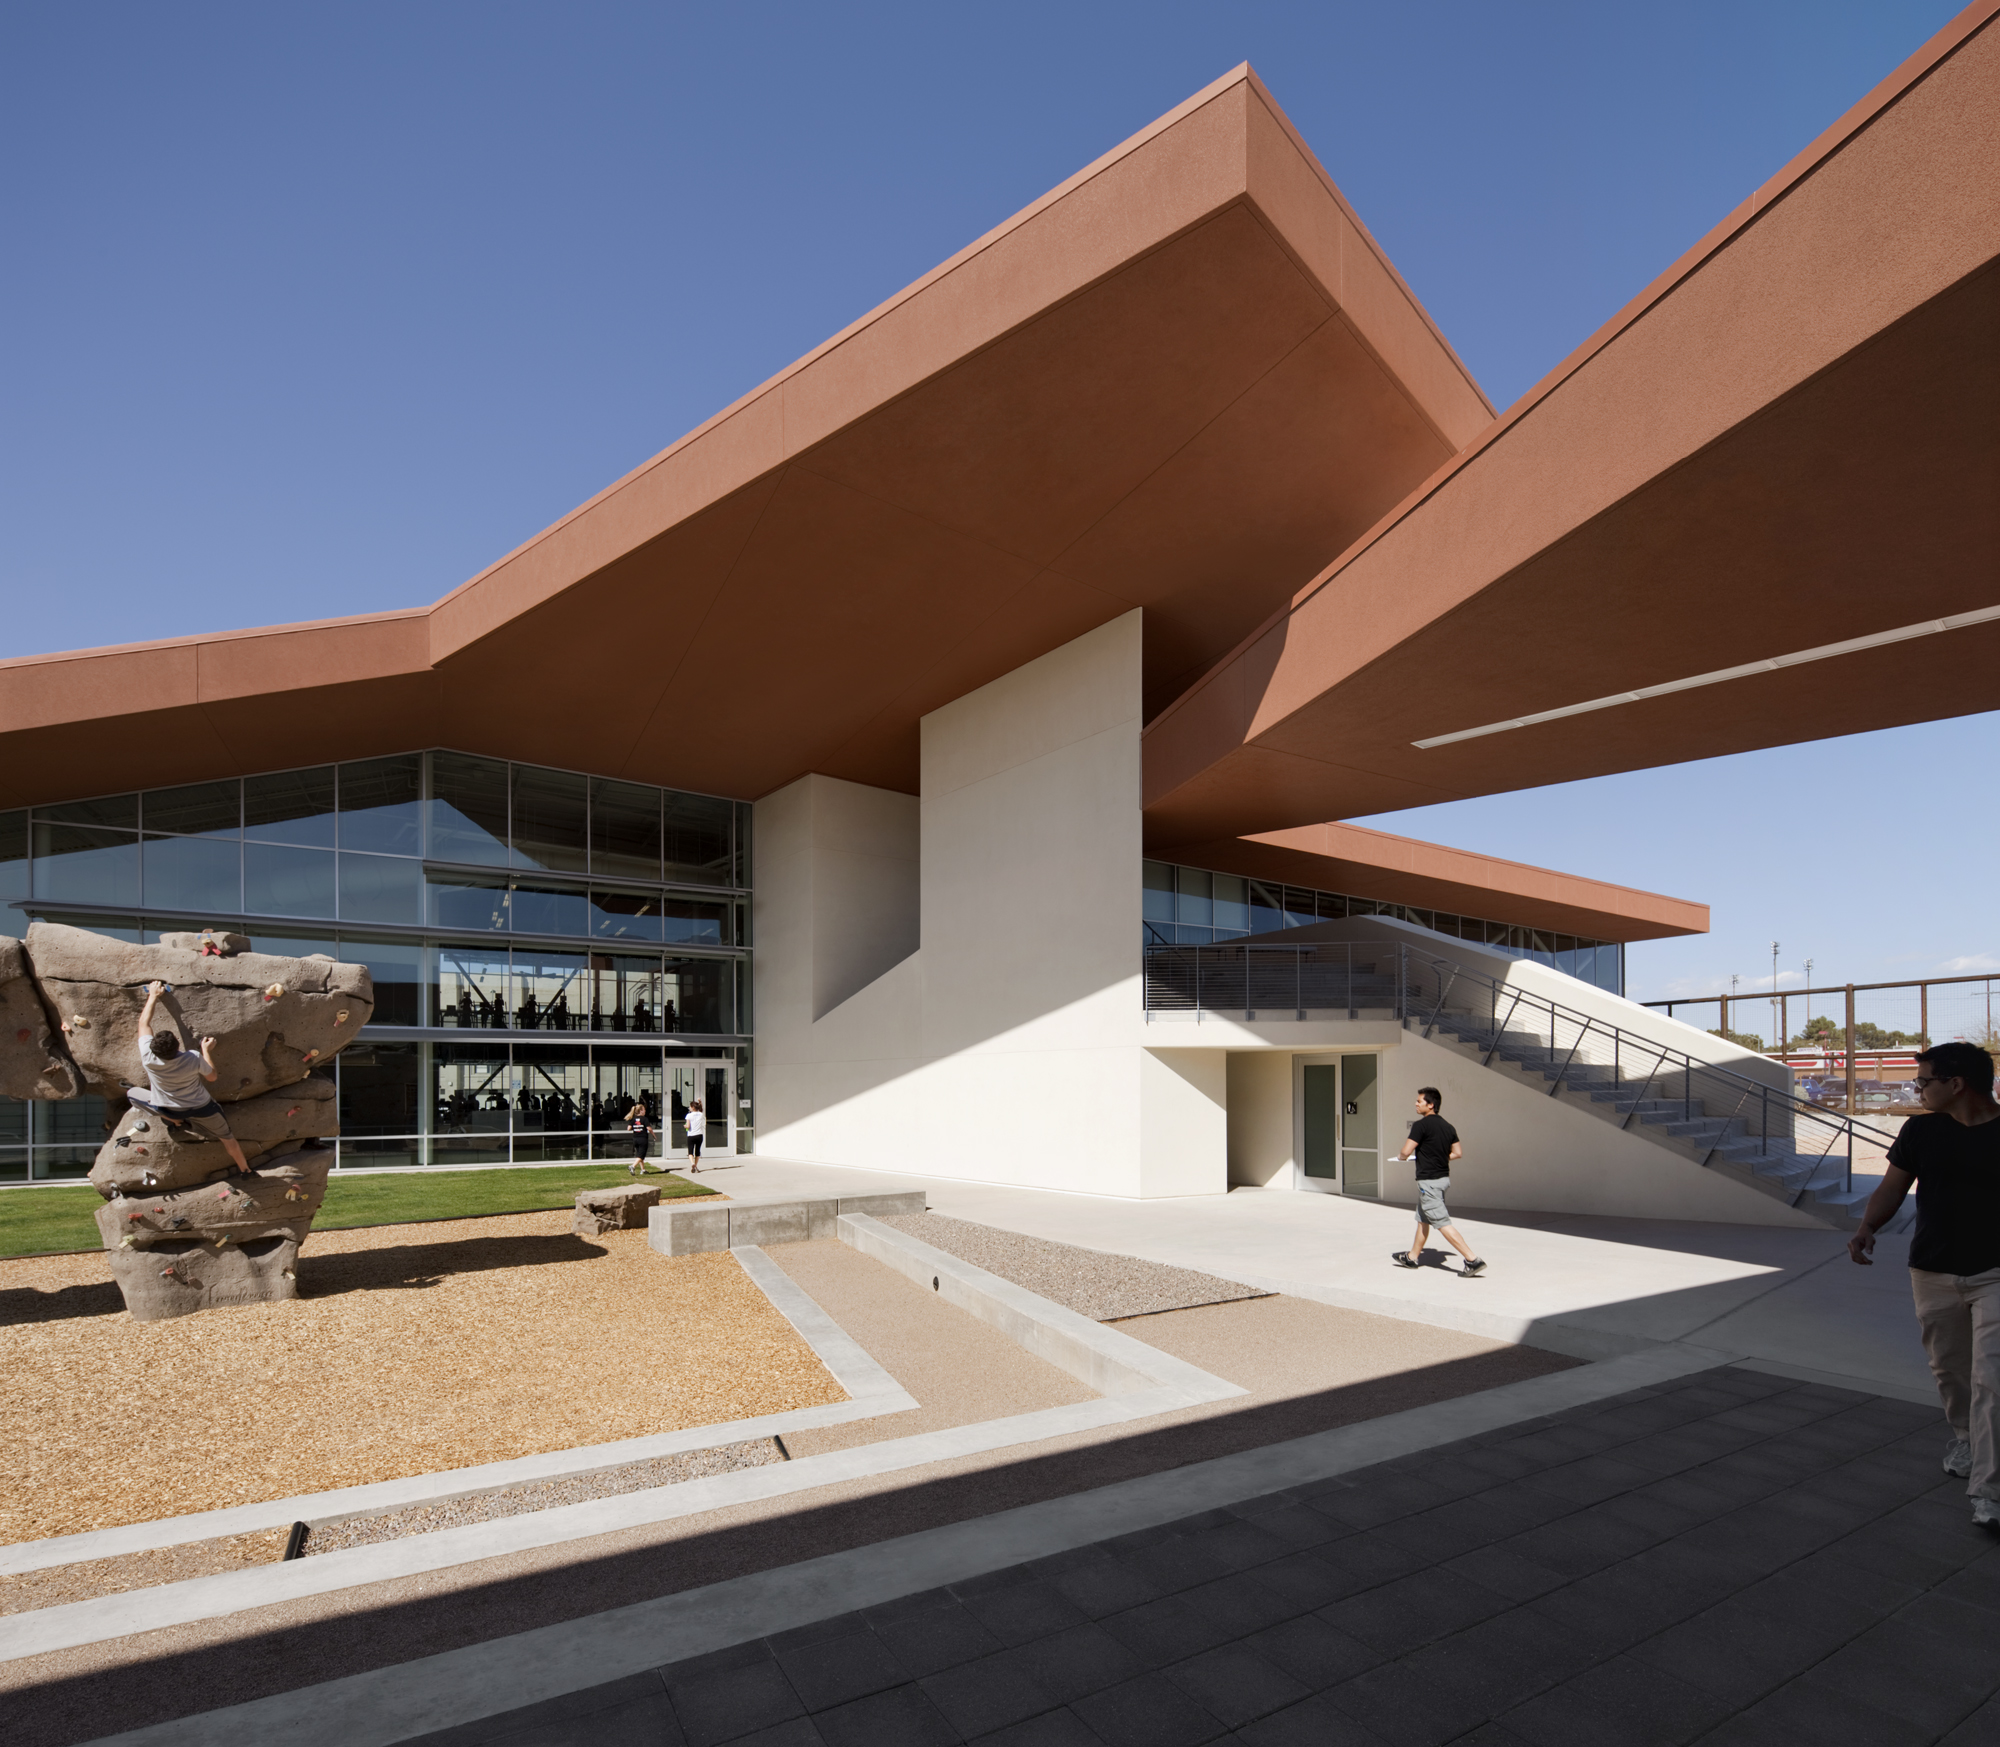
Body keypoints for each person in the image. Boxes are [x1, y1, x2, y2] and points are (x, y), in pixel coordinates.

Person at [1848, 1040, 2000, 1530]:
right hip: (1932, 1270)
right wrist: (1868, 1226)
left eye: (1924, 1081)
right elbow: (1893, 1186)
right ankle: (1965, 1438)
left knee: (1992, 1381)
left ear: (1956, 1084)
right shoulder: (1920, 1130)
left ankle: (1990, 1491)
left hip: (1995, 1273)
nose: (1919, 1089)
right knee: (1950, 1371)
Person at [128, 981, 252, 1175]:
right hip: (203, 1109)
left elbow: (144, 1023)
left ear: (153, 1048)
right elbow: (212, 1077)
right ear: (177, 1047)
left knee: (132, 1093)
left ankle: (175, 1122)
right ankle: (245, 1170)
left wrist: (153, 995)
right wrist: (205, 1051)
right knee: (228, 1138)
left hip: (170, 1108)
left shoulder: (148, 1057)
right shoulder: (192, 1058)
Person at [1390, 1086, 1486, 1276]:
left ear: (1431, 1105)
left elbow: (1406, 1151)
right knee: (1423, 1220)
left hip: (1429, 1183)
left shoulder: (1421, 1125)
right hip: (1442, 1180)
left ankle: (1472, 1260)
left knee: (1441, 1222)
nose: (1416, 1104)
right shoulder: (1449, 1127)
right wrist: (1438, 1158)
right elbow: (1457, 1153)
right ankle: (1412, 1257)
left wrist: (1401, 1157)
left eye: (1419, 1101)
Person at [625, 1102, 655, 1176]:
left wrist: (635, 1127)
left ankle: (643, 1170)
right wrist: (654, 1135)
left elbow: (628, 1128)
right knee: (641, 1155)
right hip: (643, 1139)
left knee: (639, 1154)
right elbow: (649, 1128)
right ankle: (632, 1166)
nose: (645, 1111)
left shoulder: (633, 1119)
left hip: (635, 1139)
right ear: (640, 1111)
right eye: (644, 1110)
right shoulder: (644, 1119)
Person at [684, 1098, 706, 1173]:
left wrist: (685, 1126)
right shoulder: (700, 1114)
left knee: (690, 1151)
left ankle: (692, 1163)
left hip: (691, 1135)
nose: (689, 1108)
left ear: (693, 1107)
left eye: (690, 1107)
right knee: (698, 1151)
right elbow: (701, 1108)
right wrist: (700, 1102)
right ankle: (695, 1165)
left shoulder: (688, 1116)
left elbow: (688, 1126)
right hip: (699, 1135)